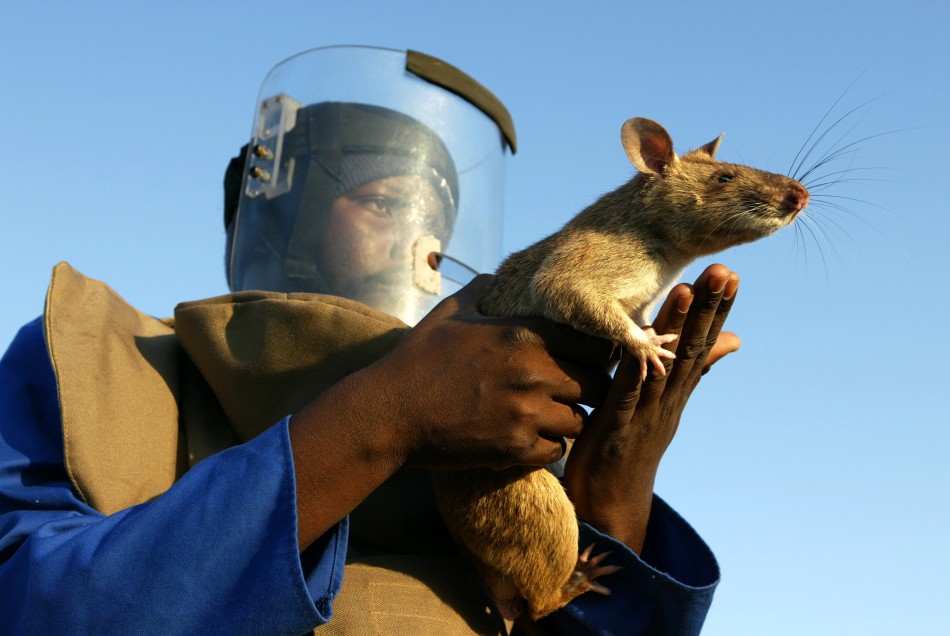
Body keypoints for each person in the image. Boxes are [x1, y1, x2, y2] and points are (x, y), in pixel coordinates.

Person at [0, 46, 740, 635]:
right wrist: (385, 416)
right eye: (382, 202)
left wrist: (611, 507)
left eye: (434, 223)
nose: (416, 243)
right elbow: (37, 608)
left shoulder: (505, 416)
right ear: (287, 212)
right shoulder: (93, 357)